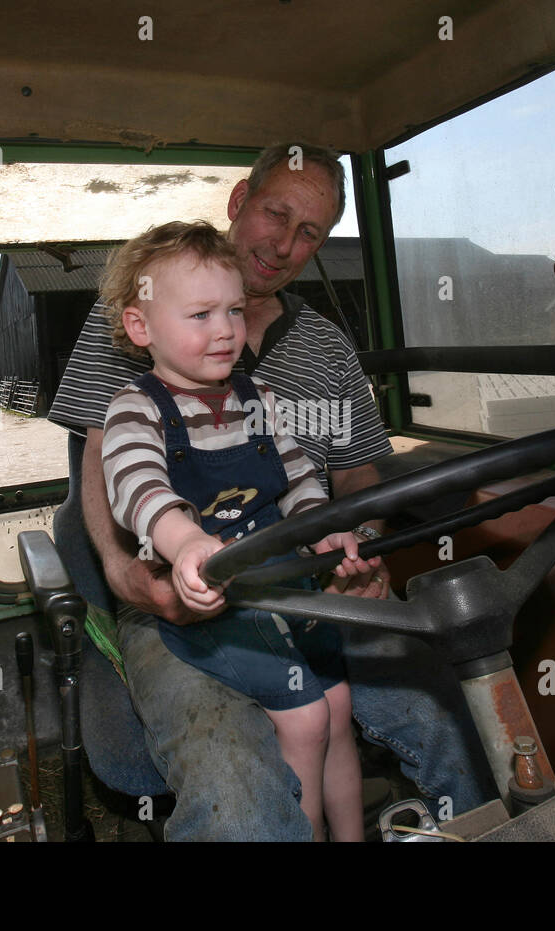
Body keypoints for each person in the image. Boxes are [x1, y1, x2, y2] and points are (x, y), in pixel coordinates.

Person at [49, 142, 497, 840]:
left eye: (309, 232)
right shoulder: (140, 319)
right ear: (239, 203)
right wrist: (126, 573)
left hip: (308, 577)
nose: (285, 243)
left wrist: (360, 549)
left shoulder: (325, 351)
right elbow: (109, 473)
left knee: (454, 715)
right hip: (177, 593)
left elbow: (350, 479)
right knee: (235, 788)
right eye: (275, 213)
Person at [99, 220, 375, 840]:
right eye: (200, 314)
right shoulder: (136, 410)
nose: (224, 329)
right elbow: (137, 492)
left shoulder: (262, 398)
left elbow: (301, 479)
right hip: (215, 608)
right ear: (141, 328)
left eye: (232, 309)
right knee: (306, 720)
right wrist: (185, 543)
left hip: (282, 585)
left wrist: (324, 531)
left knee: (338, 705)